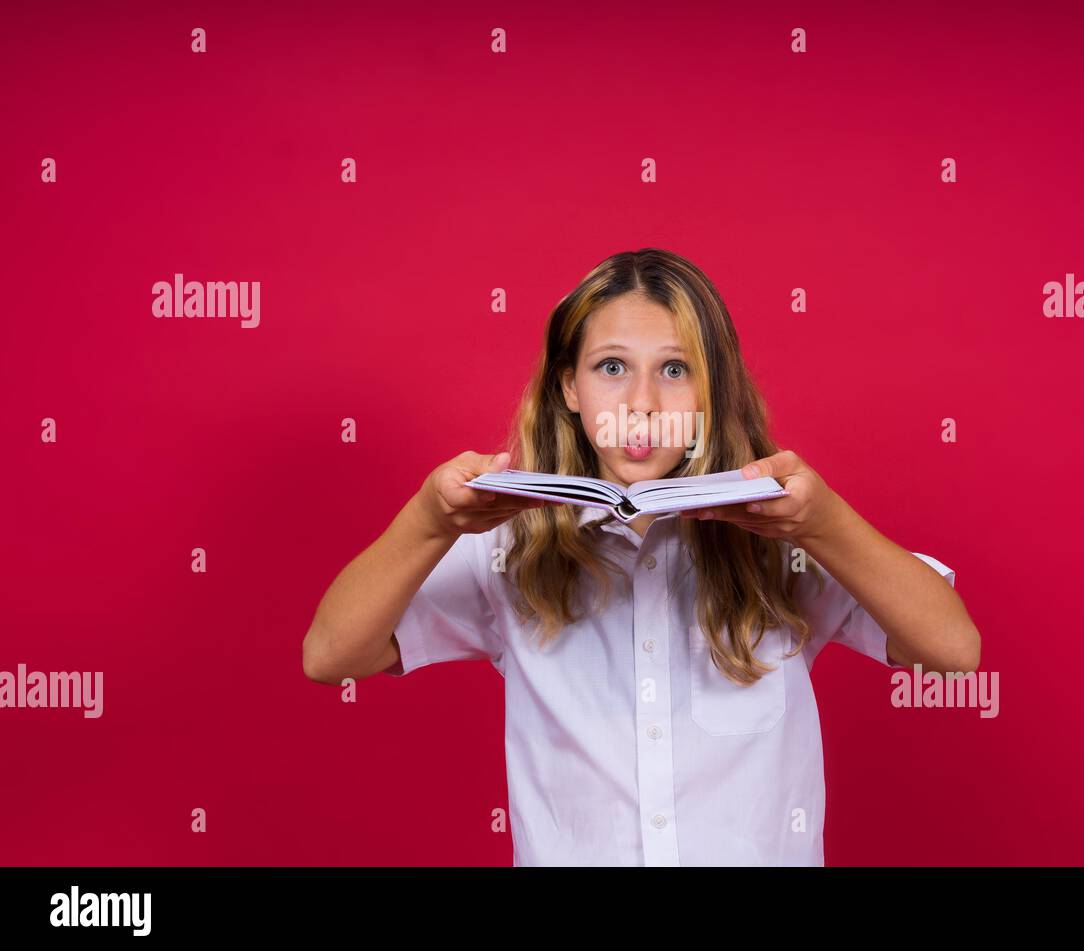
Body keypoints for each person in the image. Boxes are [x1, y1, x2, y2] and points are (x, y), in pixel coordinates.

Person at [302, 247, 980, 865]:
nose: (642, 403)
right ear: (571, 388)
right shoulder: (511, 546)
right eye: (612, 367)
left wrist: (825, 524)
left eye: (675, 369)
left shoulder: (782, 540)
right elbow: (331, 655)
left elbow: (952, 649)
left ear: (711, 389)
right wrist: (426, 522)